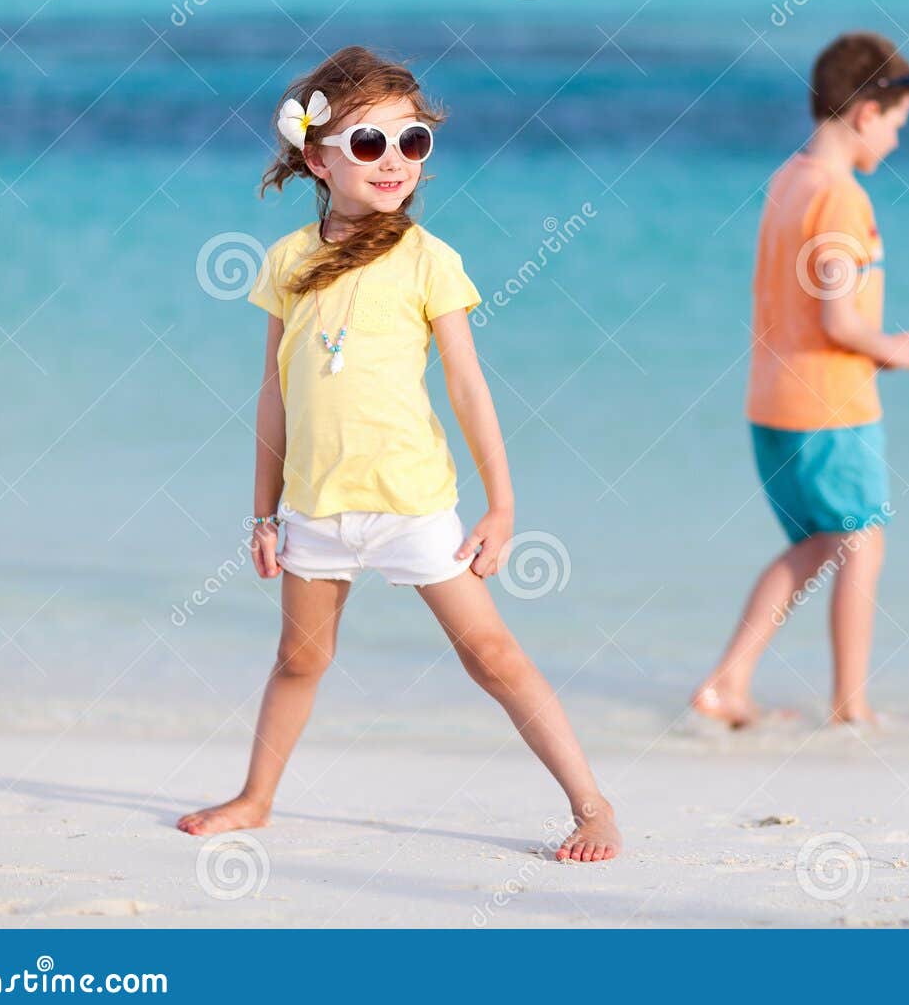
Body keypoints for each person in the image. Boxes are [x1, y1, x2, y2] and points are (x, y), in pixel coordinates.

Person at [177, 46, 620, 862]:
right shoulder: (286, 261)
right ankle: (257, 796)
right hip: (315, 507)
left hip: (414, 505)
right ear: (318, 156)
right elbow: (274, 394)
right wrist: (262, 511)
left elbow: (469, 387)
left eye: (411, 142)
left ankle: (591, 805)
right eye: (369, 144)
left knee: (492, 657)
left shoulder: (428, 260)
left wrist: (503, 504)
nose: (394, 163)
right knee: (300, 661)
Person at [693, 32, 909, 729]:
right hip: (832, 406)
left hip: (772, 402)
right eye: (895, 125)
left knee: (820, 545)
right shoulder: (841, 199)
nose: (895, 141)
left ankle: (727, 683)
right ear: (865, 113)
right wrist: (896, 349)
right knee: (863, 543)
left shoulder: (788, 179)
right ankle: (851, 707)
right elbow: (839, 321)